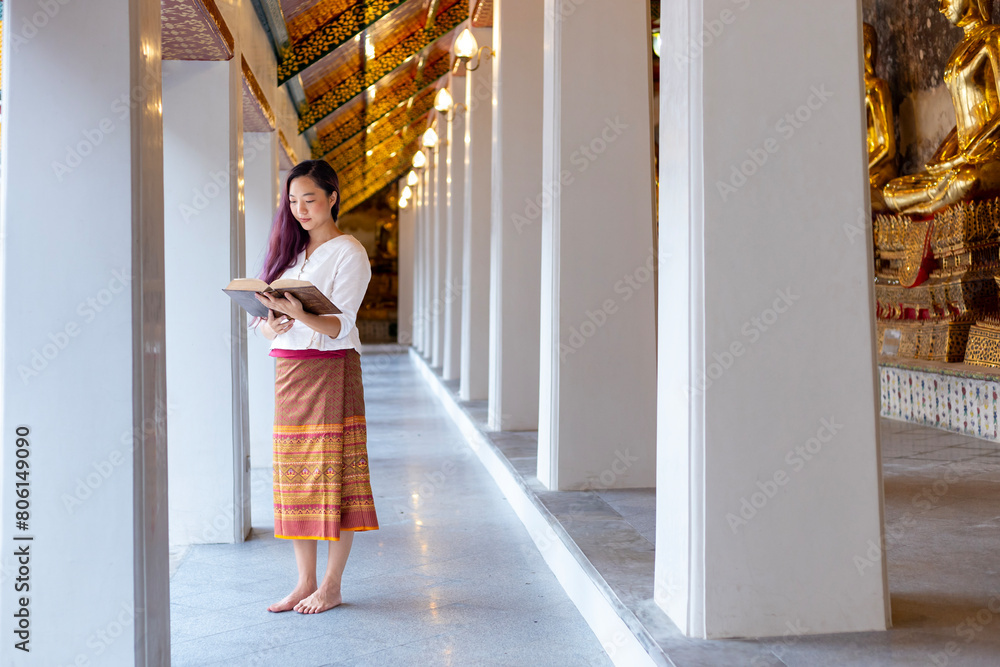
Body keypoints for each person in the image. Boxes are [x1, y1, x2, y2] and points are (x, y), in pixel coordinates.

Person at [254, 159, 379, 614]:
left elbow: (338, 324)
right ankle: (304, 581)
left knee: (335, 476)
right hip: (288, 372)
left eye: (309, 199)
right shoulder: (289, 254)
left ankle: (331, 584)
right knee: (295, 479)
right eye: (293, 201)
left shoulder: (350, 252)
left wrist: (299, 312)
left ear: (332, 197)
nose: (301, 209)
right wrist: (273, 321)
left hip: (332, 370)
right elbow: (262, 329)